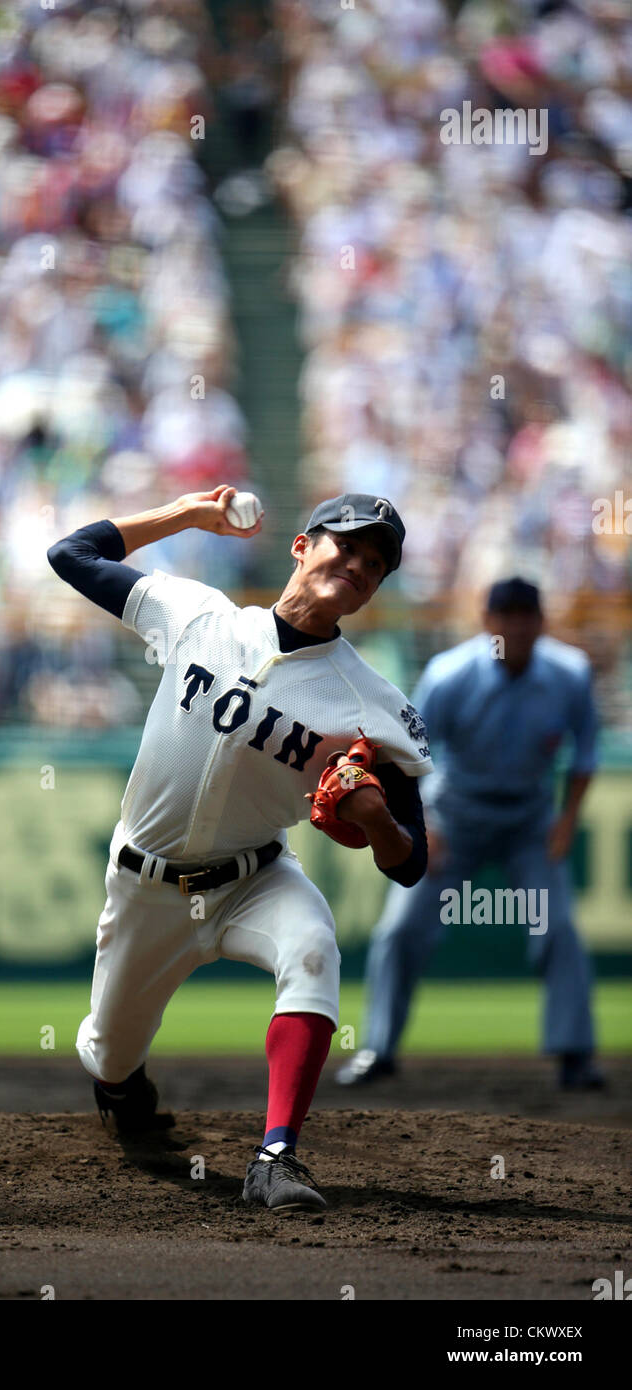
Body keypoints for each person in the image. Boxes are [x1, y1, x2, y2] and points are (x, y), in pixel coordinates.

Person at [48, 485, 433, 1211]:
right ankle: (122, 1091)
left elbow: (410, 863)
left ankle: (277, 1155)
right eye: (344, 543)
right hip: (146, 890)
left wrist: (378, 821)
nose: (356, 563)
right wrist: (190, 515)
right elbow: (70, 554)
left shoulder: (373, 704)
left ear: (376, 588)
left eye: (375, 562)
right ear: (302, 545)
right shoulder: (199, 616)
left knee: (313, 947)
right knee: (109, 1053)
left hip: (256, 879)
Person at [337, 577, 604, 1093]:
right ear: (487, 623)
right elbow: (407, 756)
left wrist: (568, 819)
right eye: (506, 616)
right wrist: (427, 826)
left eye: (526, 616)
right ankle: (379, 1048)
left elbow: (586, 753)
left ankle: (575, 1054)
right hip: (455, 817)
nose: (516, 627)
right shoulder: (450, 673)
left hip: (530, 819)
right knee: (401, 929)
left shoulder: (569, 673)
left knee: (559, 929)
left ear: (541, 622)